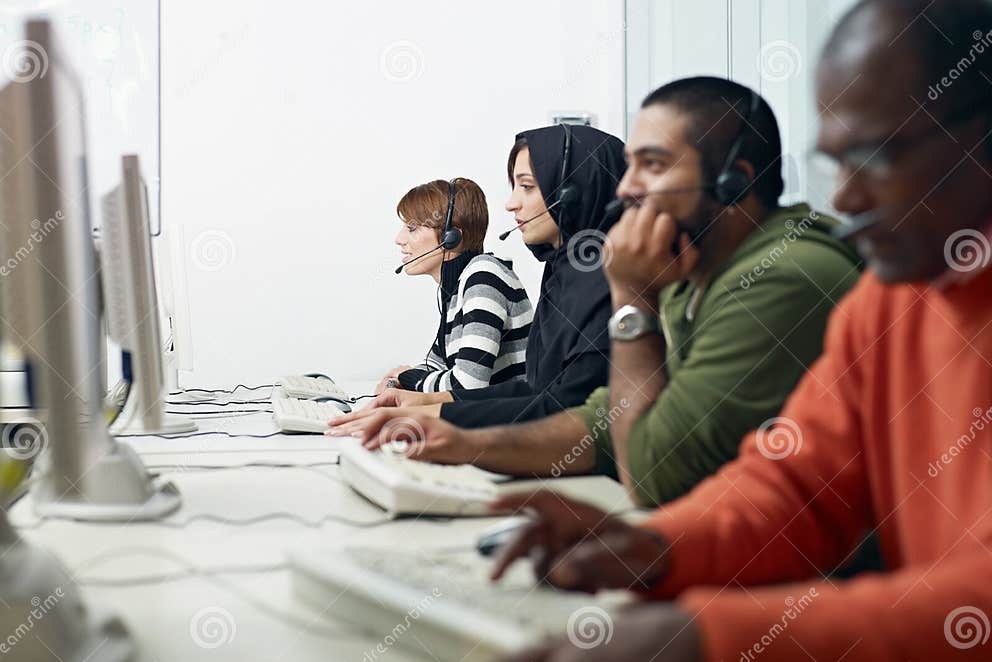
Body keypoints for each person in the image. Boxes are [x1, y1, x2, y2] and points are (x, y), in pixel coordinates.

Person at [481, 1, 992, 661]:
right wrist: (660, 548)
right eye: (837, 161)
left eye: (875, 154)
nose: (845, 198)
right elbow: (794, 484)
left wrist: (707, 634)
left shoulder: (792, 275)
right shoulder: (891, 298)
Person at [331, 78, 863, 508]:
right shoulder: (692, 276)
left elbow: (655, 472)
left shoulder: (780, 277)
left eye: (652, 165)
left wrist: (632, 297)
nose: (628, 187)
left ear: (734, 181)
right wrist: (460, 438)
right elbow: (604, 423)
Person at [362, 124, 627, 424]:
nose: (511, 203)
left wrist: (424, 408)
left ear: (572, 191)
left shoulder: (605, 281)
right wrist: (419, 403)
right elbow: (537, 390)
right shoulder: (561, 273)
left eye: (526, 187)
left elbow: (563, 408)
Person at [376, 178, 533, 394]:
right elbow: (437, 365)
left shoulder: (484, 276)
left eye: (411, 228)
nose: (399, 239)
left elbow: (466, 385)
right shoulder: (457, 289)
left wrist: (406, 377)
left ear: (451, 237)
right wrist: (399, 382)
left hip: (515, 423)